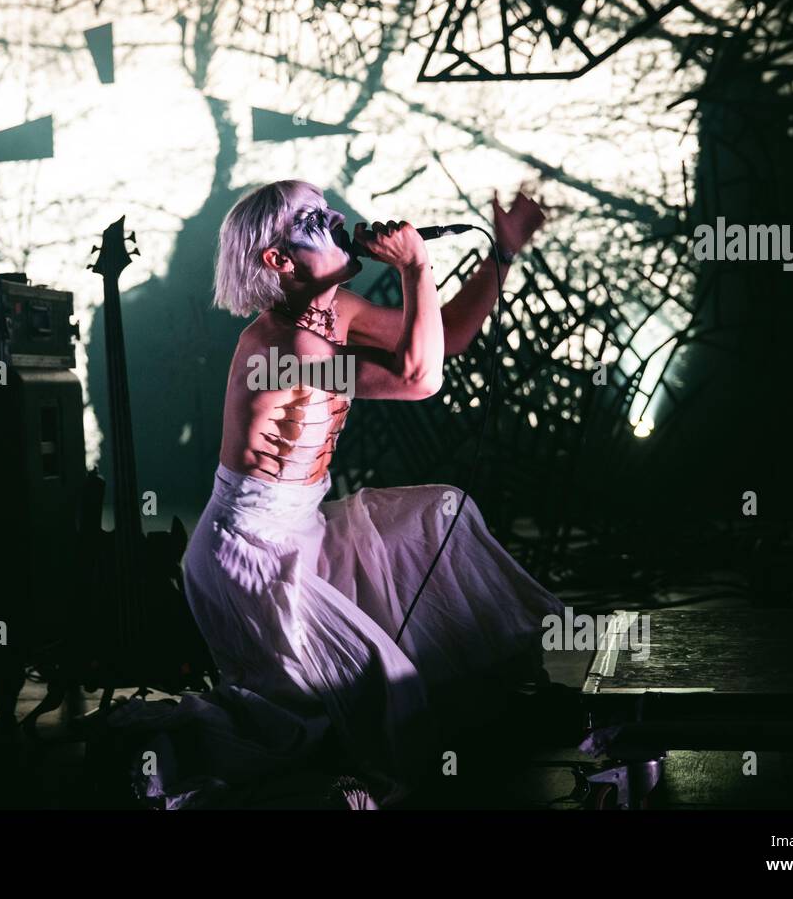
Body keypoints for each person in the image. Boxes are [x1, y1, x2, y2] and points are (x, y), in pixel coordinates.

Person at [110, 180, 566, 807]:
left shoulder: (335, 308)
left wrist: (502, 254)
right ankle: (169, 754)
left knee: (442, 514)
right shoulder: (280, 346)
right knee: (341, 714)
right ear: (280, 260)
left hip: (307, 528)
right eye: (316, 219)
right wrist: (415, 266)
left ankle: (501, 696)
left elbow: (448, 335)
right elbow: (419, 376)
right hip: (249, 555)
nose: (341, 219)